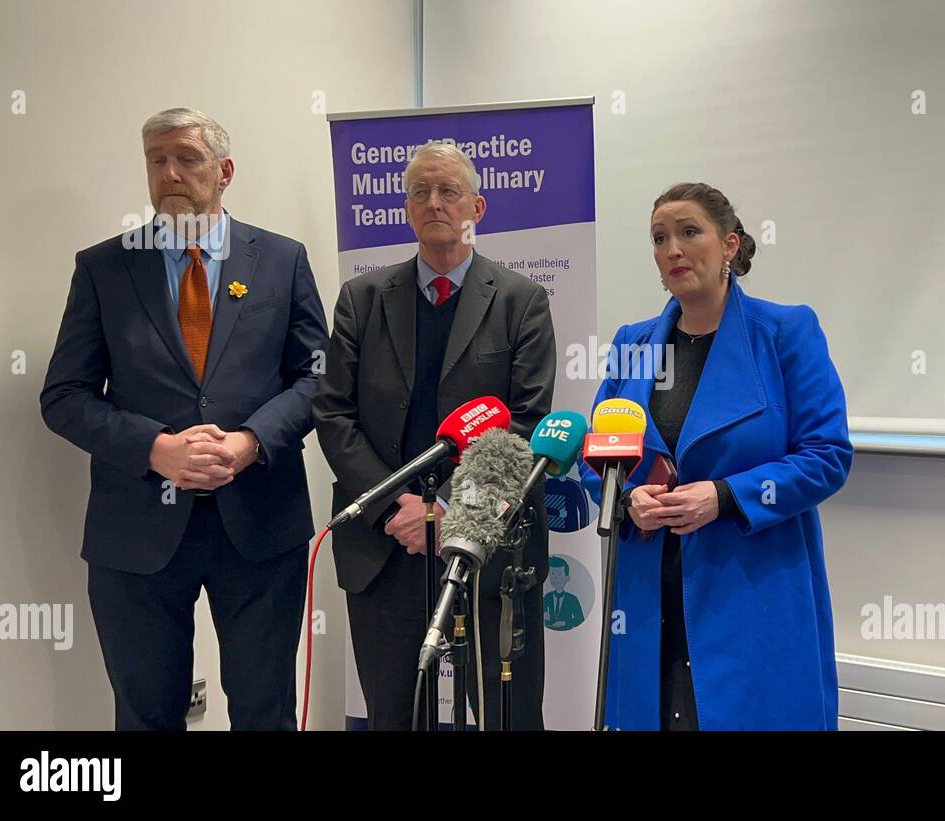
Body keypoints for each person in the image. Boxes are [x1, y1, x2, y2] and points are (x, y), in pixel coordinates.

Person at [40, 108, 328, 730]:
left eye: (187, 158)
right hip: (137, 530)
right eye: (156, 159)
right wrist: (155, 449)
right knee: (145, 714)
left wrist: (252, 440)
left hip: (259, 523)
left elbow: (317, 377)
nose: (170, 173)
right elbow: (64, 395)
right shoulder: (104, 268)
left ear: (224, 171)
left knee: (263, 709)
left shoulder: (280, 259)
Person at [582, 182, 853, 730]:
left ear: (730, 245)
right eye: (659, 238)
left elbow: (827, 455)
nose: (673, 250)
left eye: (689, 232)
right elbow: (597, 460)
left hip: (750, 591)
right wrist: (630, 498)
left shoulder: (785, 332)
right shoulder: (633, 344)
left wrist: (726, 496)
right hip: (646, 595)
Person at [314, 141, 557, 730]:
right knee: (394, 716)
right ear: (404, 208)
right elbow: (333, 411)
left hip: (488, 547)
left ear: (478, 205)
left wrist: (448, 509)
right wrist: (398, 503)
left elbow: (526, 422)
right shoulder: (362, 299)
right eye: (419, 191)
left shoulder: (523, 302)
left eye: (448, 191)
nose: (434, 203)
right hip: (385, 542)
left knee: (507, 717)